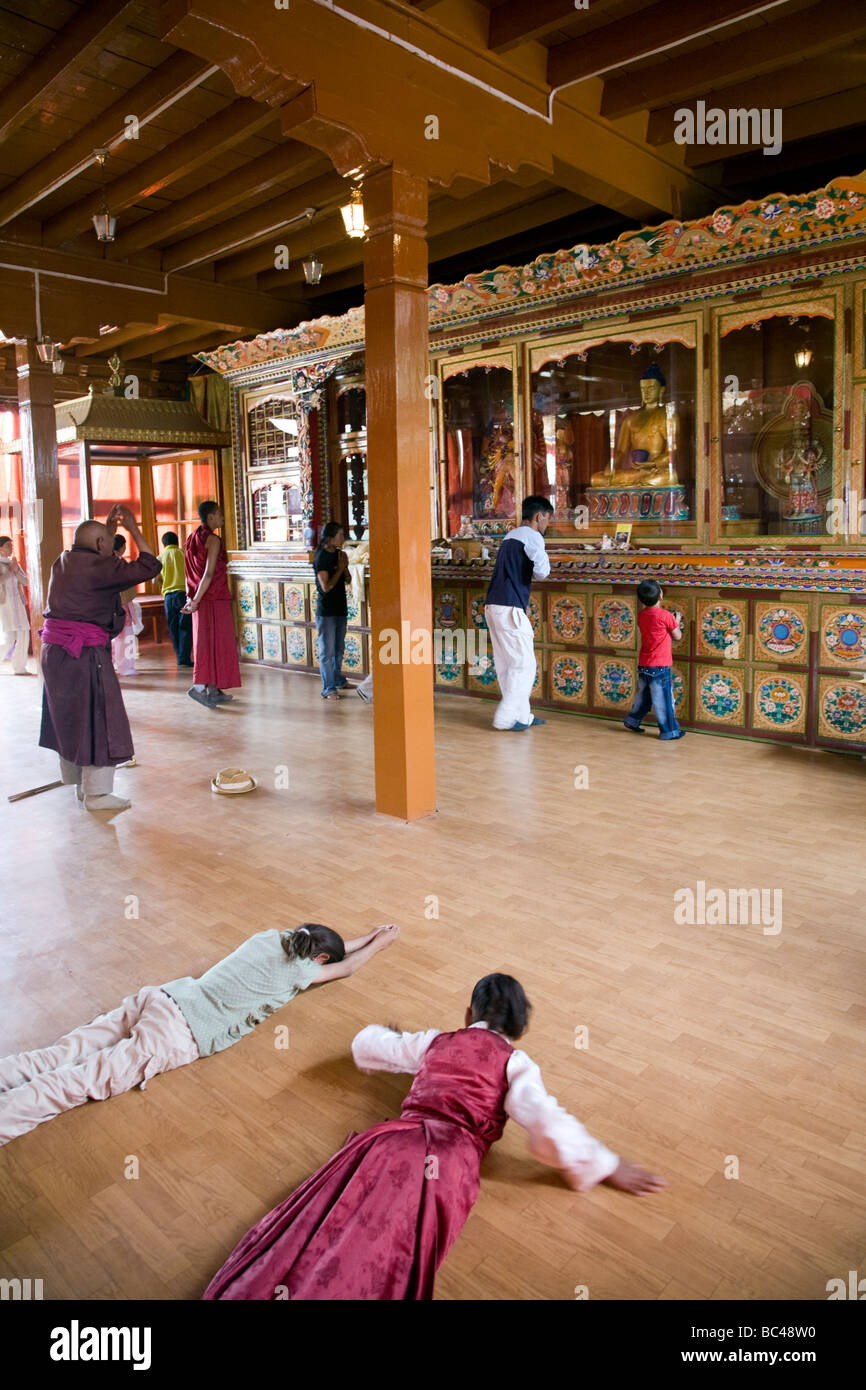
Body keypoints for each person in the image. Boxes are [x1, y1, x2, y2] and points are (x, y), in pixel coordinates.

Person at [203, 973, 664, 1301]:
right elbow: (547, 1125)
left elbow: (365, 1045)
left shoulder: (437, 1041)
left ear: (469, 1013)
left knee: (328, 1220)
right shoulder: (515, 1063)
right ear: (520, 1030)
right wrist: (605, 1164)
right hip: (448, 1164)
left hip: (388, 1142)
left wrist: (392, 1035)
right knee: (385, 1247)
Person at [0, 923, 399, 1146]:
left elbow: (329, 949)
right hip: (179, 1033)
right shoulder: (302, 972)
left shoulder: (269, 936)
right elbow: (344, 967)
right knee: (83, 1078)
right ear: (319, 959)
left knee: (63, 1053)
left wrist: (364, 933)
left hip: (162, 996)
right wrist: (380, 943)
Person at [39, 506, 161, 811]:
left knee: (69, 718)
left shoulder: (62, 561)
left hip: (54, 654)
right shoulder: (98, 567)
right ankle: (97, 794)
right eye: (107, 541)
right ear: (100, 546)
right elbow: (150, 566)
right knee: (99, 717)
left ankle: (81, 785)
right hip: (84, 655)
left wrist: (106, 529)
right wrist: (132, 528)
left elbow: (101, 555)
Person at [483, 495, 553, 731]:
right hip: (510, 606)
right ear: (539, 516)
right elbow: (543, 571)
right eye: (547, 518)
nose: (547, 524)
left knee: (507, 663)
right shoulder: (533, 536)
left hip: (494, 604)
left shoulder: (510, 535)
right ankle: (505, 718)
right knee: (524, 664)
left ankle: (522, 717)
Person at [183, 500, 241, 708]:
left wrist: (191, 599)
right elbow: (207, 574)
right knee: (213, 643)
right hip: (212, 599)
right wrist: (196, 601)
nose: (222, 518)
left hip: (200, 599)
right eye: (219, 514)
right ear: (210, 517)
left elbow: (189, 573)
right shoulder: (213, 540)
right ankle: (199, 688)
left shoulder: (192, 538)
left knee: (210, 642)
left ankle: (213, 688)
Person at [623, 578, 685, 741]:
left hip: (644, 663)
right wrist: (676, 621)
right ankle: (670, 731)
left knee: (645, 696)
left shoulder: (642, 615)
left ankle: (632, 720)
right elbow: (677, 636)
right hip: (660, 665)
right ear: (661, 595)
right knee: (663, 699)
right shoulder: (665, 615)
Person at [313, 521, 350, 700]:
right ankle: (328, 688)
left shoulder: (338, 554)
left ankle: (337, 679)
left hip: (340, 607)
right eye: (341, 535)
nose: (343, 538)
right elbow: (326, 587)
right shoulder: (321, 557)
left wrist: (346, 566)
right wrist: (341, 568)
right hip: (326, 611)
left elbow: (348, 579)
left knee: (339, 648)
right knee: (327, 651)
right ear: (331, 537)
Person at [158, 530, 192, 667]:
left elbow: (156, 580)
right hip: (183, 595)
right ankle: (184, 658)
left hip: (168, 597)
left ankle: (179, 656)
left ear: (164, 544)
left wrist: (165, 587)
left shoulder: (160, 558)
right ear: (177, 542)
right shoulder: (183, 554)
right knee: (185, 626)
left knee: (173, 627)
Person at [110, 534, 141, 677]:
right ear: (122, 547)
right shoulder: (119, 561)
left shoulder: (107, 561)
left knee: (113, 637)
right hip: (121, 603)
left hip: (109, 603)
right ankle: (126, 667)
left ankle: (113, 664)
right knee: (126, 636)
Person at [0, 535, 31, 675]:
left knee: (24, 633)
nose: (11, 548)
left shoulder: (14, 563)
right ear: (0, 548)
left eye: (11, 546)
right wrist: (10, 570)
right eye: (8, 546)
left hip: (18, 604)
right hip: (5, 605)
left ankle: (19, 667)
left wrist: (16, 570)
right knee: (9, 638)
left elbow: (25, 582)